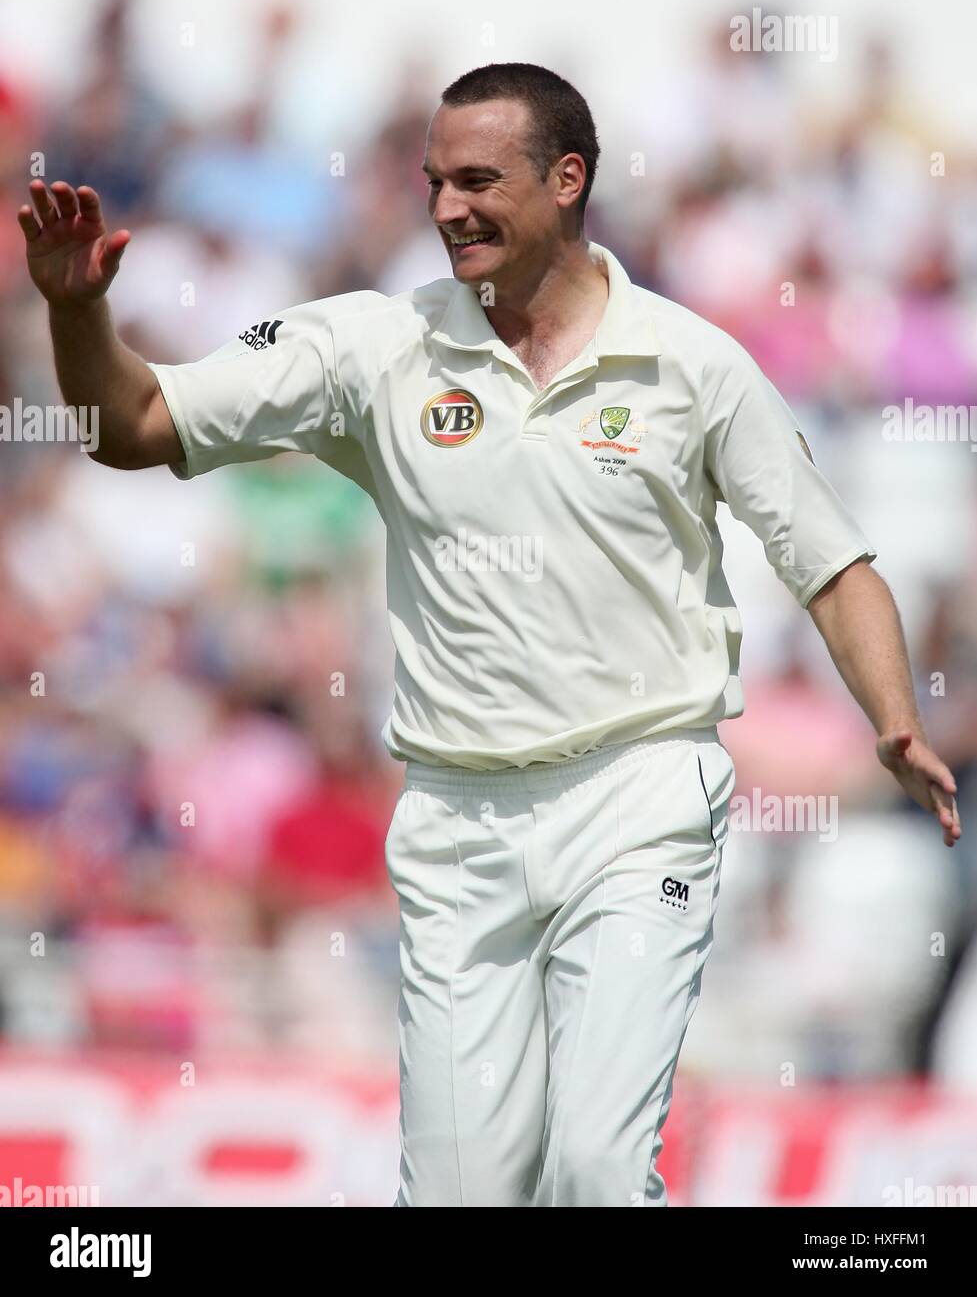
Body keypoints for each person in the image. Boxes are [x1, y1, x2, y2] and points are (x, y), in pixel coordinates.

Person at [19, 62, 961, 1208]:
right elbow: (135, 425)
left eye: (478, 179)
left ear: (567, 181)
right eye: (433, 181)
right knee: (463, 1195)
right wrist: (77, 310)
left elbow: (831, 562)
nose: (446, 207)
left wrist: (894, 720)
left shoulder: (691, 362)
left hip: (638, 795)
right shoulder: (371, 347)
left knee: (600, 1171)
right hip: (456, 818)